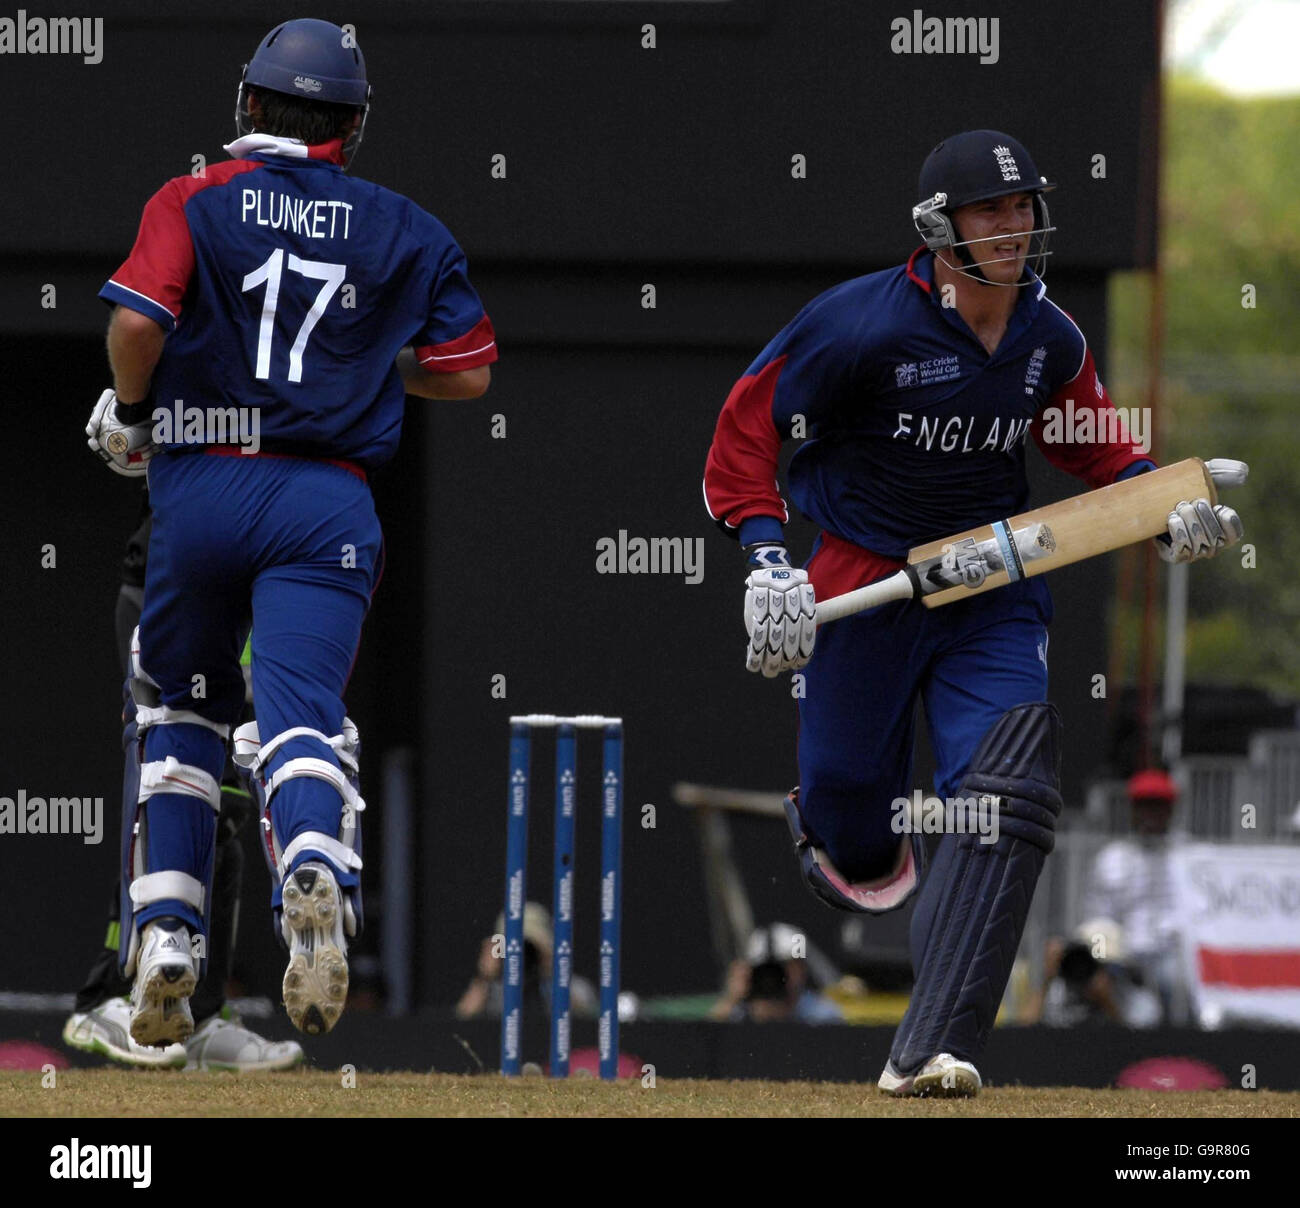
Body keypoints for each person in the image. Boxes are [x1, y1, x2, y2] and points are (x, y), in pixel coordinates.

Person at [703, 130, 1241, 1095]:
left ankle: (931, 1046)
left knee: (1008, 796)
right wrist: (767, 561)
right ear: (939, 229)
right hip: (865, 580)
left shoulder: (1049, 336)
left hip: (989, 585)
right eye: (990, 210)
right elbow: (746, 433)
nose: (1013, 225)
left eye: (1024, 205)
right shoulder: (856, 325)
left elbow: (1102, 452)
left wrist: (1172, 508)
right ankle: (832, 827)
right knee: (855, 831)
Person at [86, 18, 495, 1046]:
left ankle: (167, 939)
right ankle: (314, 856)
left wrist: (135, 411)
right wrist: (362, 368)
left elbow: (138, 323)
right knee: (302, 713)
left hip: (205, 484)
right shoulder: (406, 224)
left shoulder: (194, 197)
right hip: (325, 499)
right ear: (350, 126)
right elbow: (467, 369)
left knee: (175, 705)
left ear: (250, 104)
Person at [63, 494, 303, 1070]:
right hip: (169, 599)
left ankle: (201, 1012)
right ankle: (106, 997)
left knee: (227, 810)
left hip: (244, 620)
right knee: (168, 795)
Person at [1081, 768, 1186, 1022]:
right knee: (1143, 1016)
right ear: (1133, 811)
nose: (1151, 815)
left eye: (1158, 807)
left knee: (1178, 979)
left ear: (1170, 811)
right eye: (1144, 807)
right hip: (1126, 959)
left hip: (1175, 954)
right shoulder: (1112, 858)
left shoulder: (1187, 855)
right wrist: (1106, 959)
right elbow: (1097, 920)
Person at [710, 923, 844, 1024]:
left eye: (783, 966)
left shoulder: (822, 1014)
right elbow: (708, 1045)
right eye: (765, 969)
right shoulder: (738, 1014)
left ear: (801, 968)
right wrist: (731, 998)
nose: (771, 978)